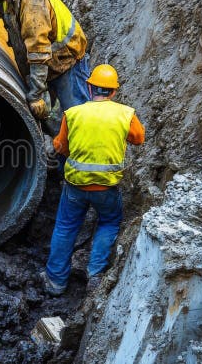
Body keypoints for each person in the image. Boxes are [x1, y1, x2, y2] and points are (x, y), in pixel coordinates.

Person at [40, 64, 145, 295]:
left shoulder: (73, 114)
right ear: (114, 92)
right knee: (108, 222)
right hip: (106, 188)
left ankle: (56, 282)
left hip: (75, 187)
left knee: (66, 227)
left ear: (89, 88)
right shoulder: (126, 114)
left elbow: (60, 147)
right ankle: (95, 274)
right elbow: (138, 139)